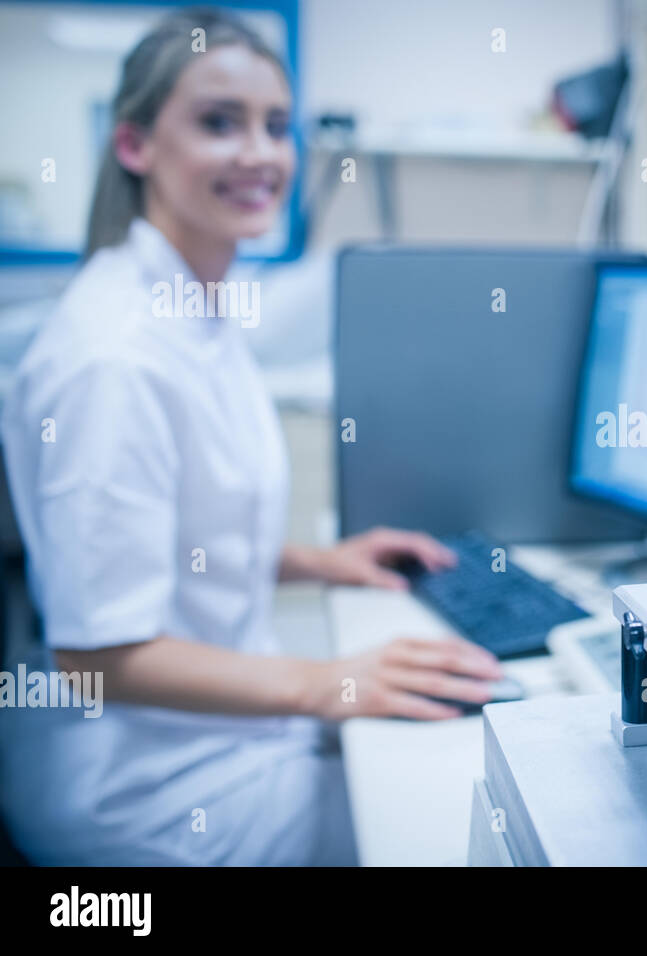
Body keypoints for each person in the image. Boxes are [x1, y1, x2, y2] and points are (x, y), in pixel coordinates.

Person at [0, 7, 502, 865]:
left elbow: (164, 532)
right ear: (133, 145)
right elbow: (97, 656)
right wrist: (328, 682)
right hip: (148, 793)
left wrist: (319, 561)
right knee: (448, 830)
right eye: (218, 123)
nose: (260, 155)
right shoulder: (112, 359)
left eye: (277, 126)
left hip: (216, 738)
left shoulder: (193, 307)